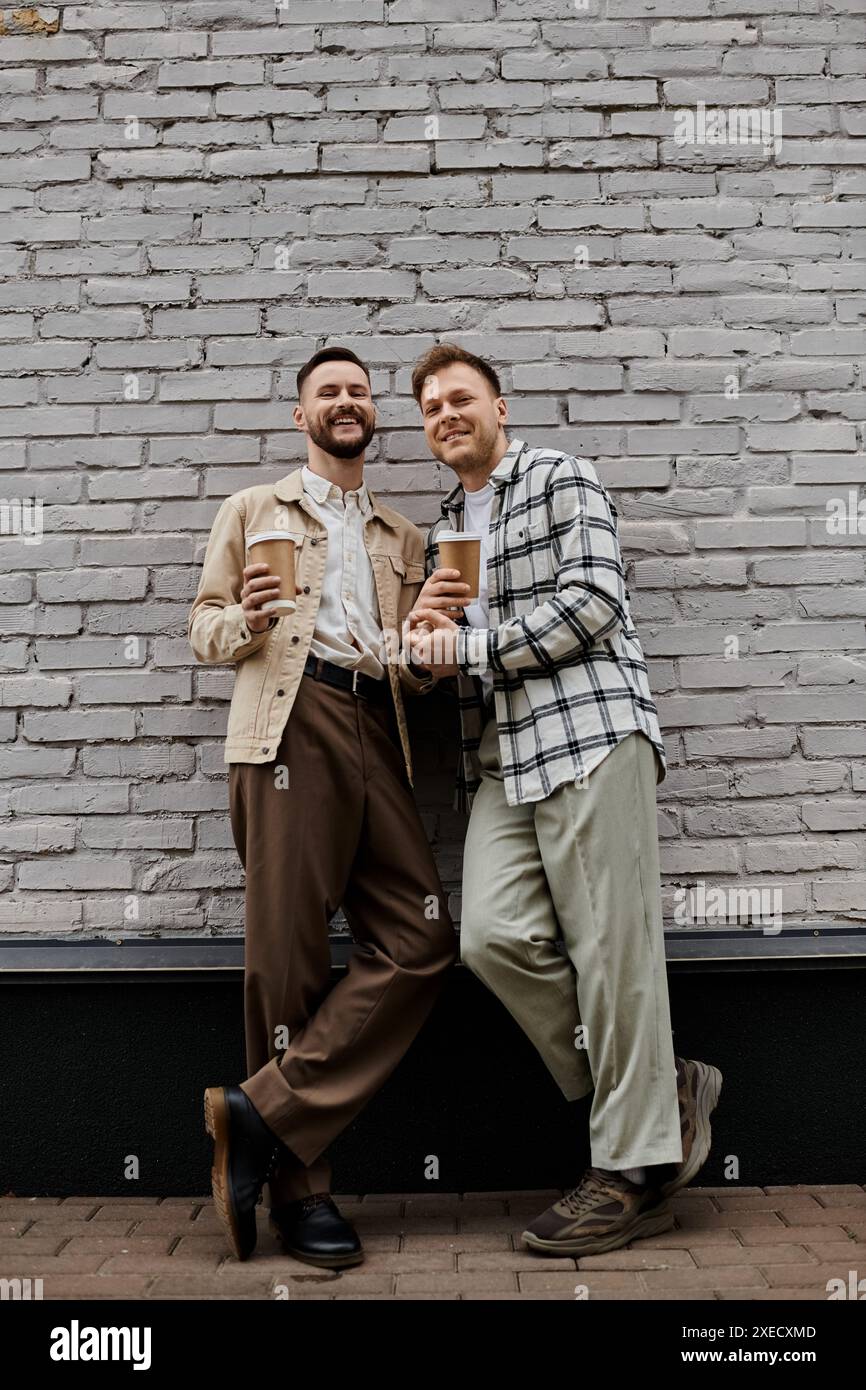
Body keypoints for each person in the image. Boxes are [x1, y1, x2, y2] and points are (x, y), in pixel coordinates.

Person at [403, 343, 722, 1257]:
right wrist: (429, 635)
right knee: (491, 938)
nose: (444, 415)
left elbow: (593, 603)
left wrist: (467, 648)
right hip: (503, 754)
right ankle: (660, 1096)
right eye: (428, 408)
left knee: (612, 952)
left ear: (500, 405)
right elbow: (457, 649)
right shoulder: (442, 527)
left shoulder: (558, 476)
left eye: (460, 398)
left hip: (589, 733)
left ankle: (626, 1173)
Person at [188, 346, 457, 1267]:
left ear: (372, 414)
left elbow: (419, 672)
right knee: (289, 954)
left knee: (421, 939)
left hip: (375, 724)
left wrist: (437, 643)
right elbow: (204, 627)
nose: (346, 402)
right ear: (301, 418)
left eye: (357, 391)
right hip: (288, 721)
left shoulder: (403, 534)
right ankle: (305, 1197)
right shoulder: (254, 510)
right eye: (326, 393)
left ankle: (260, 1115)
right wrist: (252, 622)